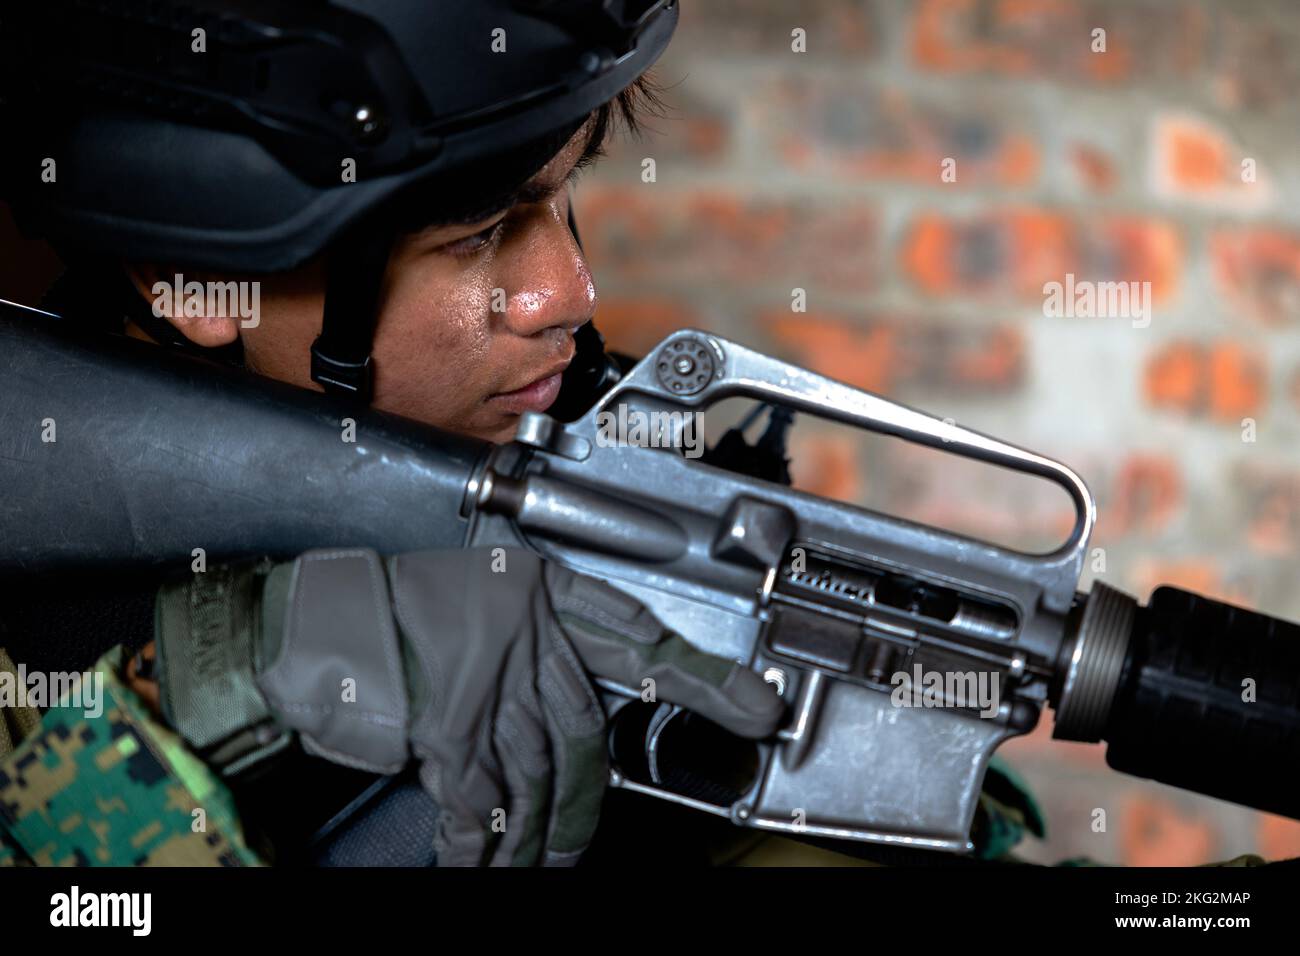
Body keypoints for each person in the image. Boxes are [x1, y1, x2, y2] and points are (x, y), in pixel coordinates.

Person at [0, 0, 1047, 867]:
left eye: (566, 190)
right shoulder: (37, 673)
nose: (568, 290)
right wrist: (212, 686)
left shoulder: (627, 466)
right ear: (190, 285)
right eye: (477, 235)